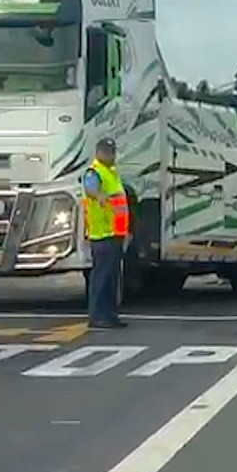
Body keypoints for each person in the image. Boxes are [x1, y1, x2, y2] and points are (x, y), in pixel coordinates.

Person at [82, 137, 130, 329]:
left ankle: (109, 315)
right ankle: (97, 316)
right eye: (108, 152)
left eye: (112, 152)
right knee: (101, 278)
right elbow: (90, 188)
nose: (111, 156)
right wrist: (98, 195)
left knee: (111, 279)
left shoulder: (112, 173)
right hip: (102, 235)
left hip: (115, 234)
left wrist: (126, 231)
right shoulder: (94, 171)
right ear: (99, 152)